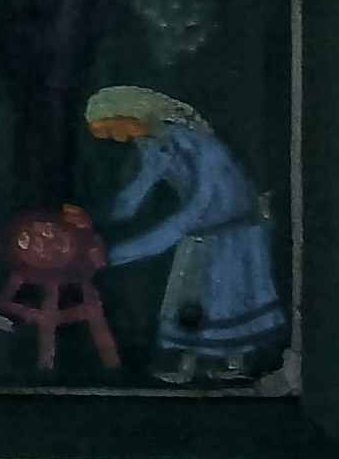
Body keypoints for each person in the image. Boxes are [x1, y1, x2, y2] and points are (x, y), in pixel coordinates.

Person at [87, 81, 285, 382]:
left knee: (225, 298)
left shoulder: (205, 150)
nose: (117, 138)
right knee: (191, 299)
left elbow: (192, 214)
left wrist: (115, 255)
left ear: (136, 115)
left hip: (234, 231)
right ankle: (189, 365)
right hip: (202, 228)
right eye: (109, 133)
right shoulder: (155, 146)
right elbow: (132, 200)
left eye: (116, 128)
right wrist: (88, 218)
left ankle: (231, 364)